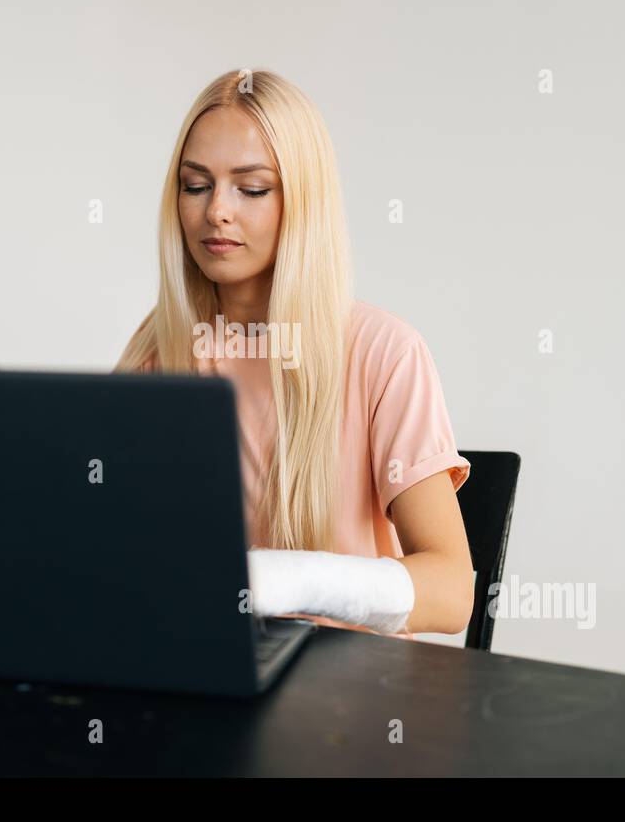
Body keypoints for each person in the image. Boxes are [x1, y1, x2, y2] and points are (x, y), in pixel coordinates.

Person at [116, 68, 472, 639]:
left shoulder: (385, 353)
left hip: (346, 703)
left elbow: (453, 595)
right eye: (195, 184)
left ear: (302, 201)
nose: (217, 212)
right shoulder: (159, 347)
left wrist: (280, 580)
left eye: (252, 189)